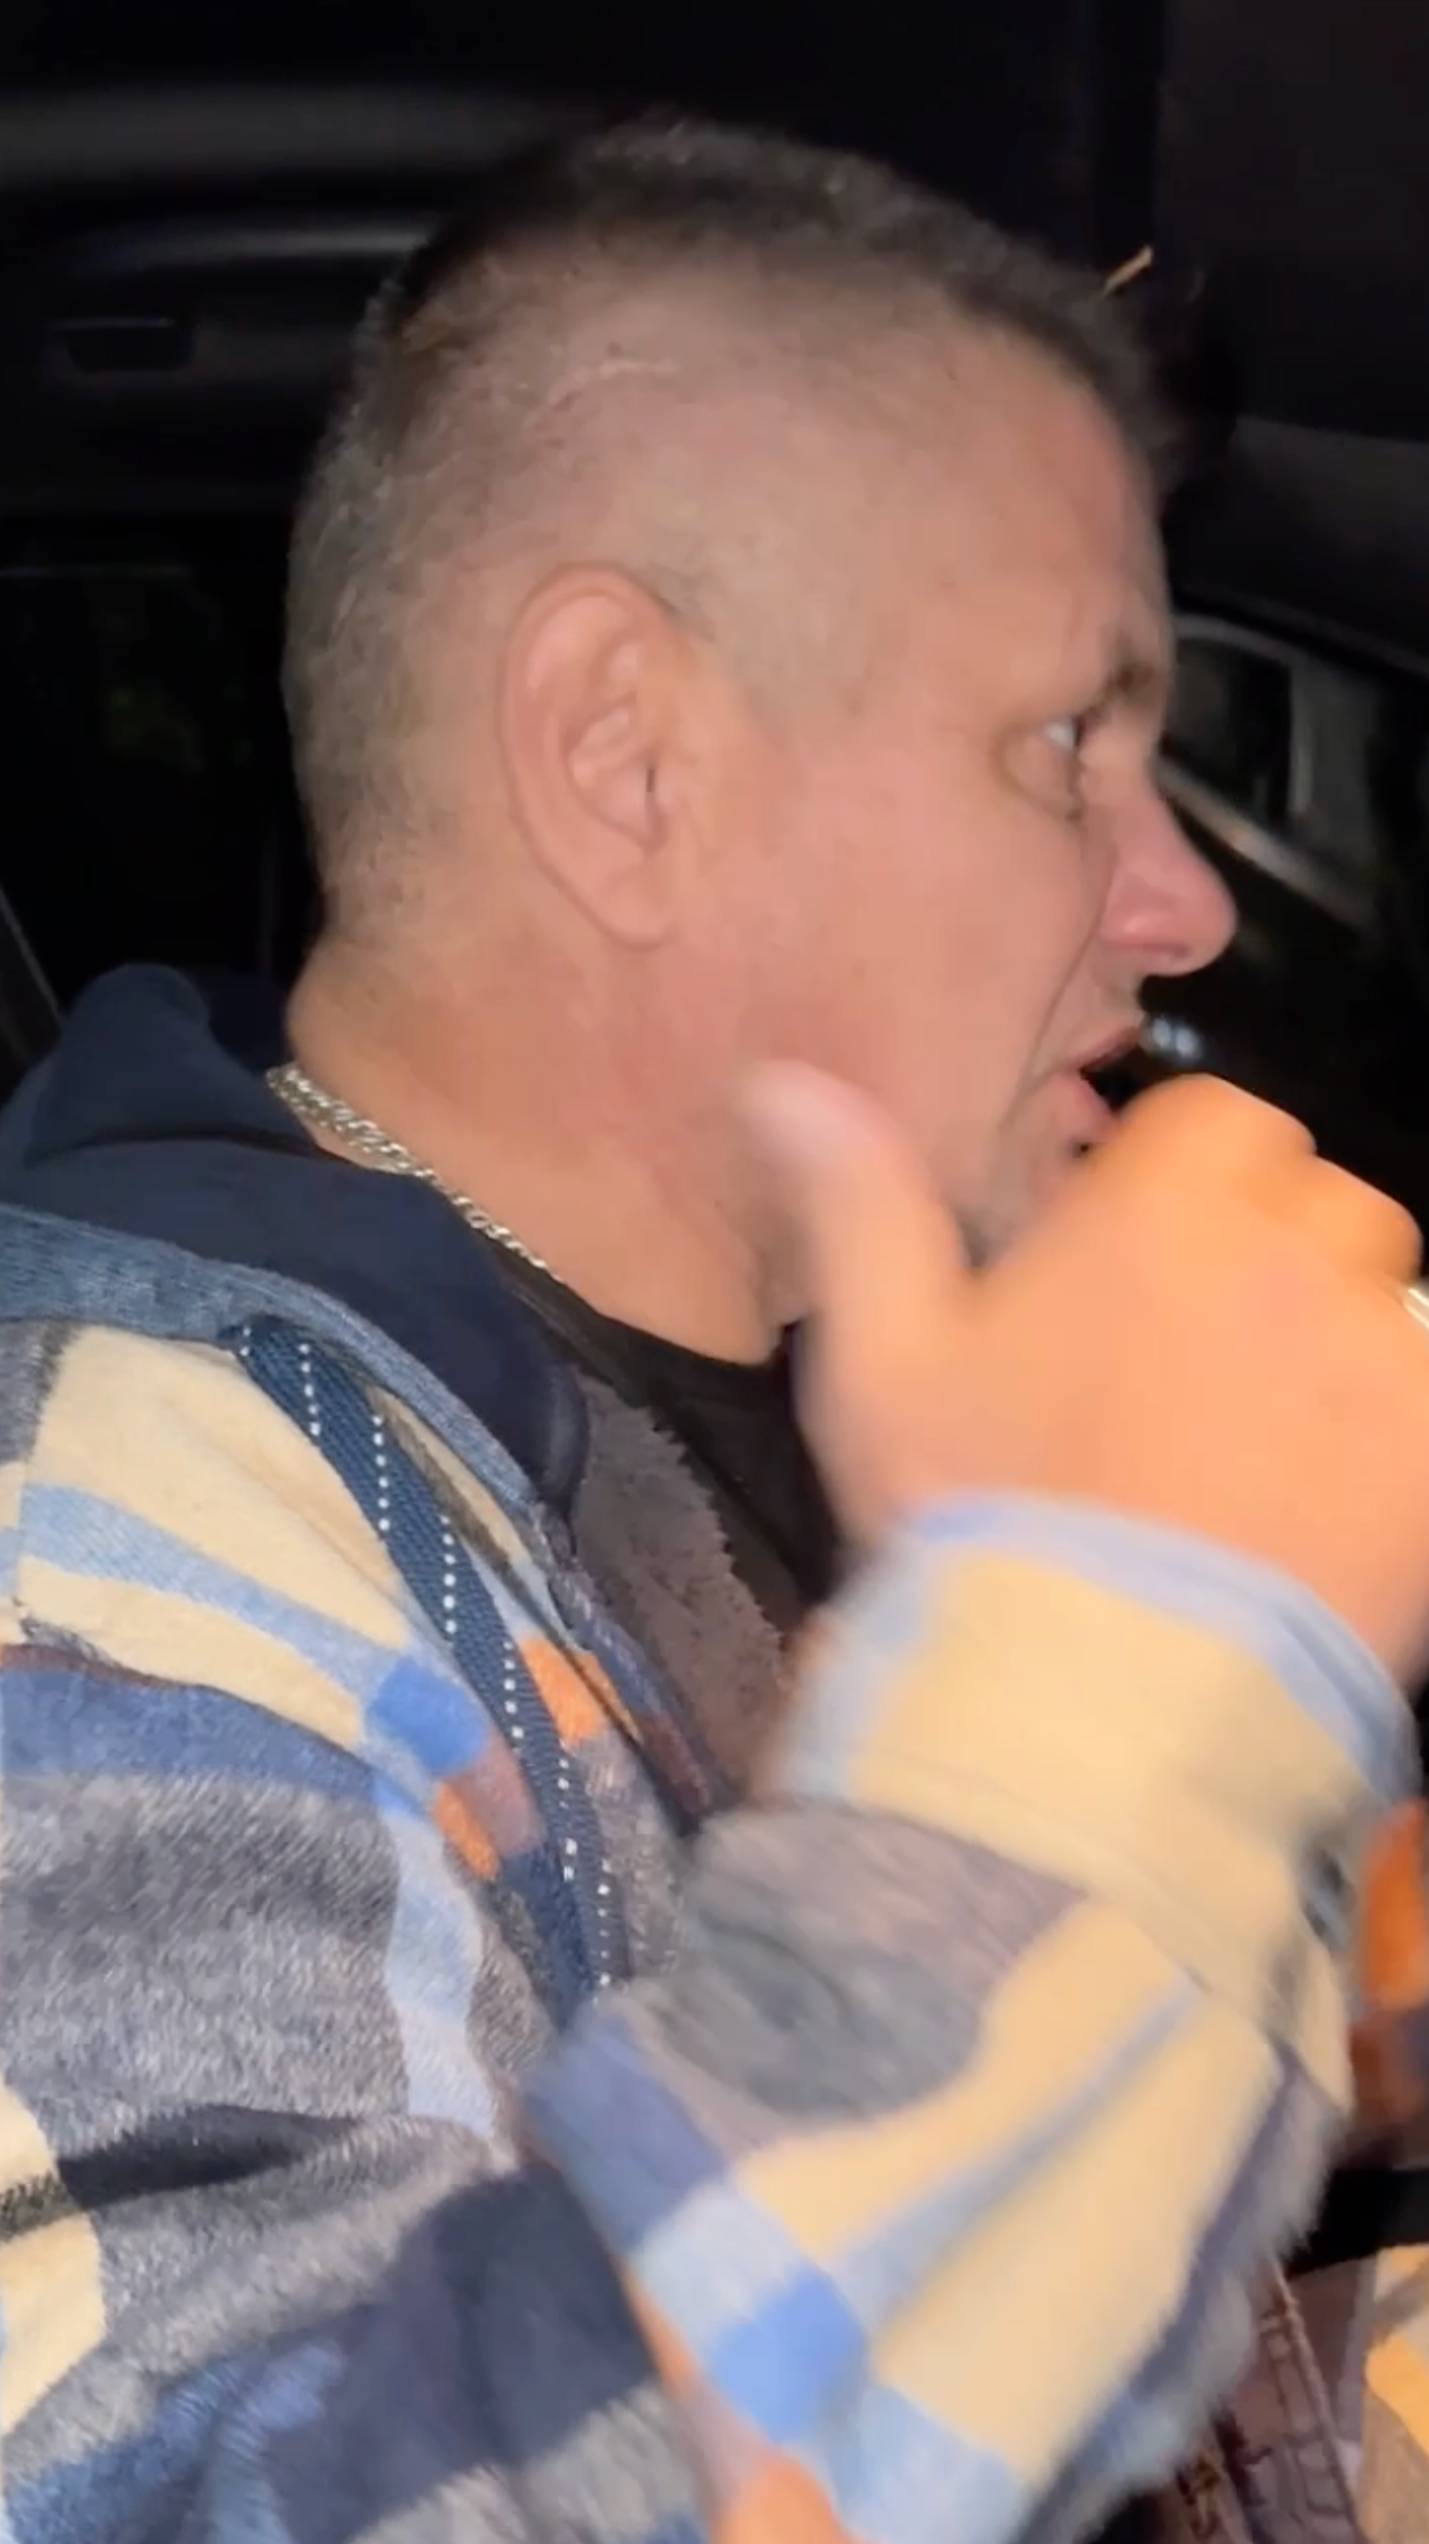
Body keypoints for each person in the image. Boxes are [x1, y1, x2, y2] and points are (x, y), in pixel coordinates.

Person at [1, 115, 1428, 2544]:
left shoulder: (796, 1405)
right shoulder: (90, 1536)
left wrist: (1308, 1930)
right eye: (1064, 744)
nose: (1179, 902)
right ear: (625, 757)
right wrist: (1139, 1679)